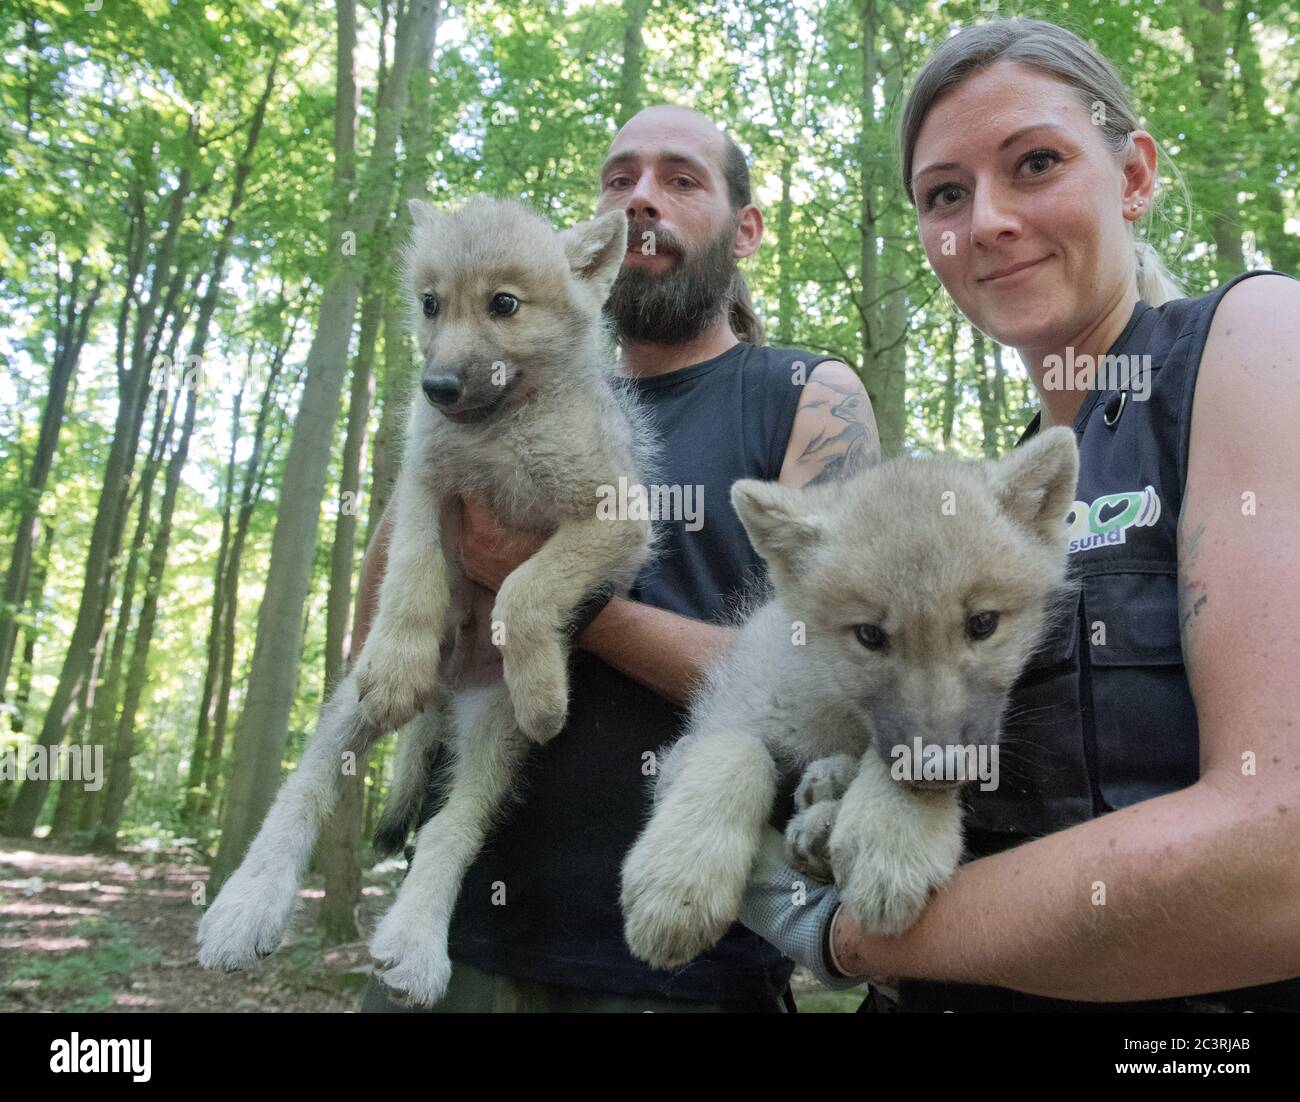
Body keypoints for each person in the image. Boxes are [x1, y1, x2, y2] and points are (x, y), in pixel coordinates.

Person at [745, 16, 1300, 1013]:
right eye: (944, 194)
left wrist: (852, 937)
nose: (988, 219)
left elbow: (1281, 852)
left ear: (1133, 176)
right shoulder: (986, 502)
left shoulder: (1248, 343)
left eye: (1034, 163)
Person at [354, 103, 880, 1012]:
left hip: (683, 955)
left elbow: (829, 689)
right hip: (447, 934)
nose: (642, 199)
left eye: (682, 180)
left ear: (745, 229)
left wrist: (563, 599)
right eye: (619, 178)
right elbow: (381, 650)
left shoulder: (804, 395)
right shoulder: (493, 383)